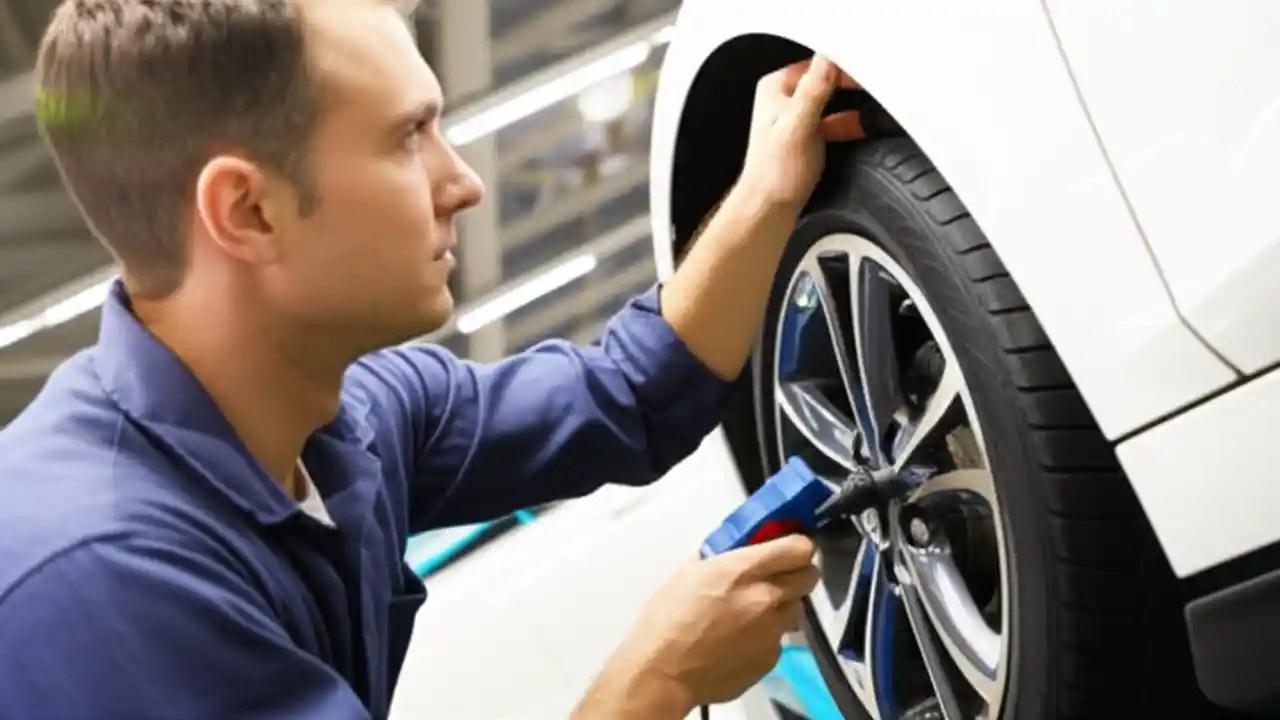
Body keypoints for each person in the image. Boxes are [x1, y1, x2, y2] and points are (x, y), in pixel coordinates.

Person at [0, 0, 864, 717]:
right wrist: (659, 681)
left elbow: (627, 397)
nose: (466, 182)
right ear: (248, 211)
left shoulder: (350, 413)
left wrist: (768, 188)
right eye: (408, 136)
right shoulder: (103, 585)